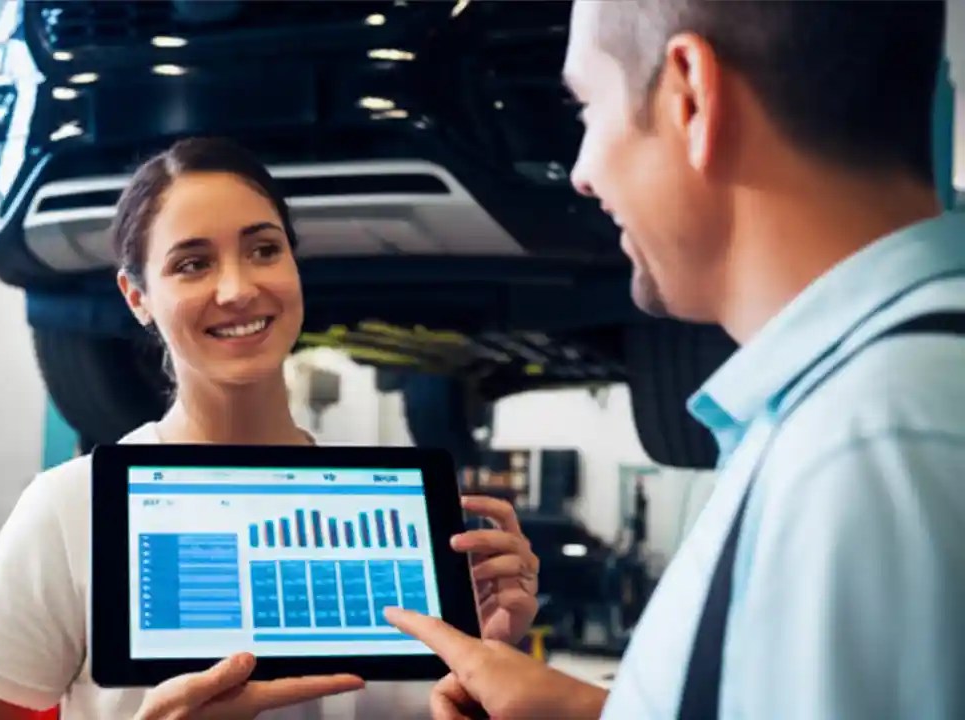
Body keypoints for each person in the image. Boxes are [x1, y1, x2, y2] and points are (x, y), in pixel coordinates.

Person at [386, 1, 965, 719]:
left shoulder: (867, 449)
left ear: (689, 94)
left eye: (589, 108)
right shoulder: (882, 404)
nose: (583, 174)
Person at [0, 137, 541, 720]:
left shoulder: (398, 516)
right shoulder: (71, 509)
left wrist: (484, 658)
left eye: (264, 250)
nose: (238, 289)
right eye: (192, 264)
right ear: (137, 296)